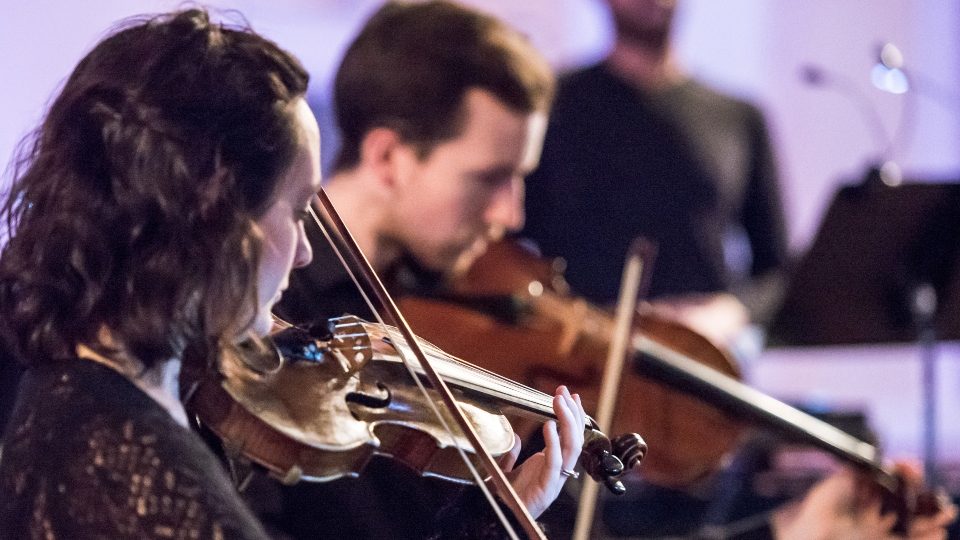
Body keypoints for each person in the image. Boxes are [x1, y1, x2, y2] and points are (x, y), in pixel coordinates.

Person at [0, 7, 583, 538]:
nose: (305, 251)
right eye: (299, 211)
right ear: (217, 214)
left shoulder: (77, 395)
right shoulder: (131, 460)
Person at [523, 0, 789, 350]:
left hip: (701, 358)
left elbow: (777, 270)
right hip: (578, 353)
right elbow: (511, 240)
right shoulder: (552, 104)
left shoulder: (738, 117)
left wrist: (732, 309)